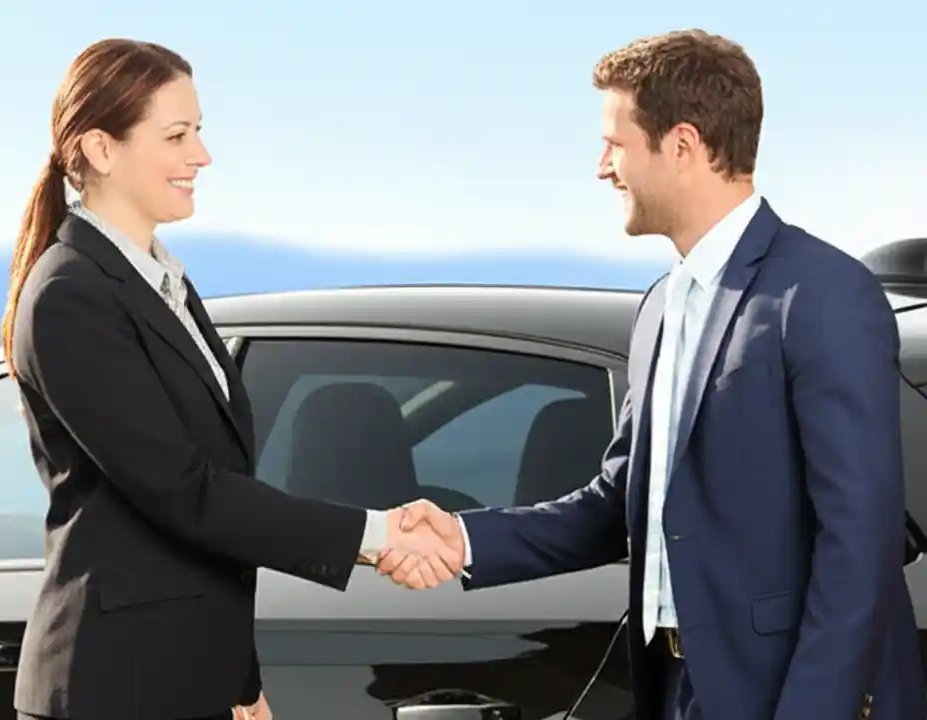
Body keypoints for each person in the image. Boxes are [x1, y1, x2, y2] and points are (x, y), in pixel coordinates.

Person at [378, 29, 924, 720]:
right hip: (673, 689)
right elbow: (617, 504)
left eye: (616, 143)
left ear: (683, 145)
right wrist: (461, 539)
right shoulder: (663, 306)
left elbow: (861, 543)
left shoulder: (819, 295)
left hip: (784, 693)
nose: (603, 167)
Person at [0, 39, 463, 720]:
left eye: (200, 132)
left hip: (183, 680)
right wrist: (378, 536)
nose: (202, 156)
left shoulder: (161, 284)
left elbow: (213, 503)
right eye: (178, 135)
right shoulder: (70, 296)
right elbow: (186, 492)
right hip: (114, 687)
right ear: (101, 150)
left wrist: (238, 680)